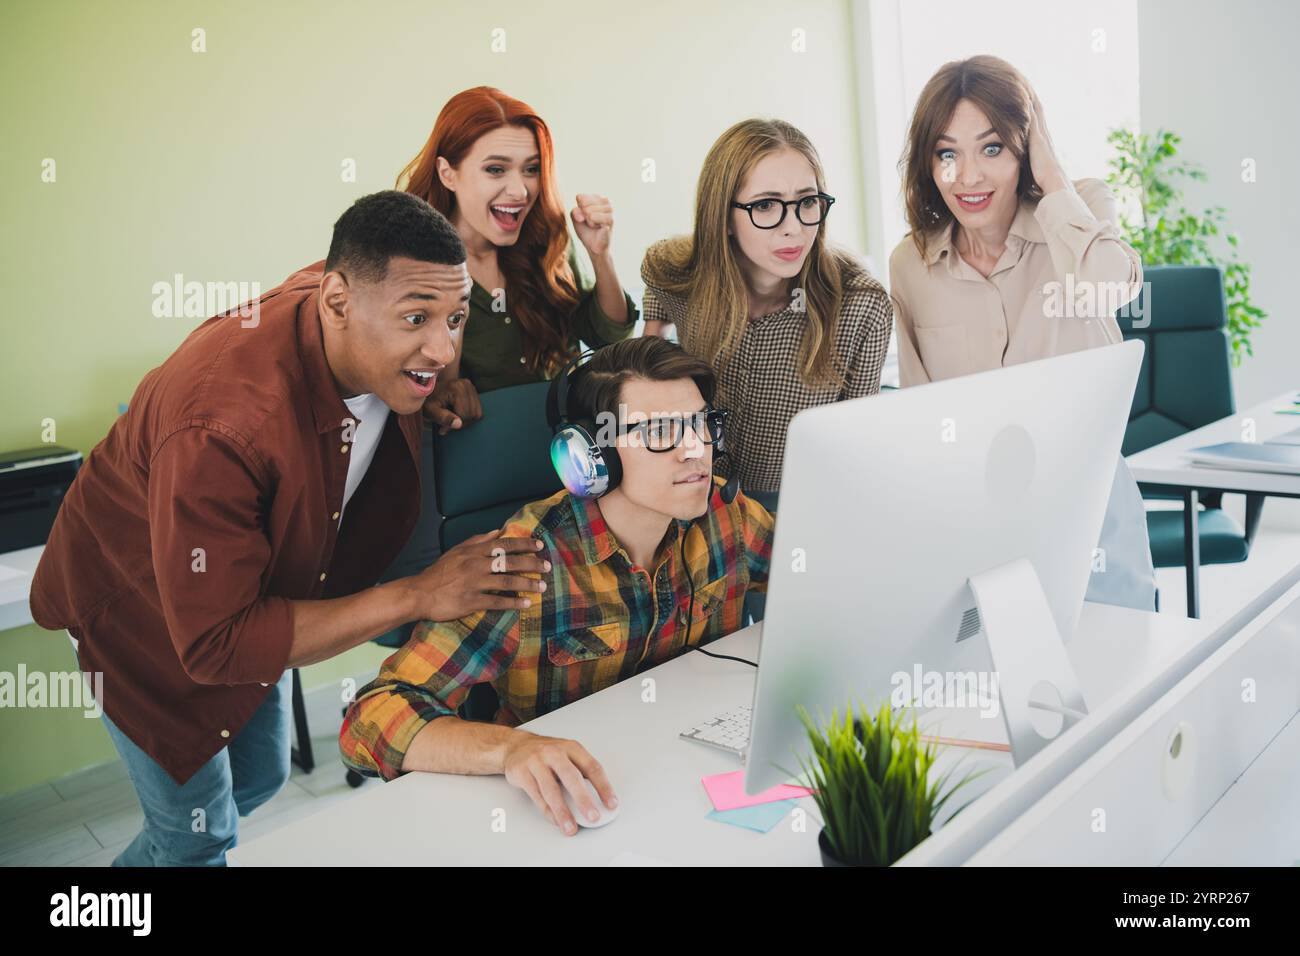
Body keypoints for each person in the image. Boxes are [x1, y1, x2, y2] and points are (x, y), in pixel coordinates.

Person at [28, 191, 548, 865]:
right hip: (138, 609)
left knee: (259, 778)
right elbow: (216, 643)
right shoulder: (222, 426)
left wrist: (433, 379)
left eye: (456, 318)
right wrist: (422, 594)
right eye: (418, 319)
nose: (443, 345)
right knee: (197, 836)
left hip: (251, 585)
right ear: (336, 303)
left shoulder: (359, 306)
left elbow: (414, 323)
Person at [339, 337, 773, 836]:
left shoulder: (725, 513)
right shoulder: (523, 564)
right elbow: (371, 717)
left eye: (700, 424)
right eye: (659, 432)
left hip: (683, 777)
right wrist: (512, 749)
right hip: (569, 812)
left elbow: (817, 578)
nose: (696, 449)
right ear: (592, 455)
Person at [888, 55, 1156, 610]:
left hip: (1090, 501)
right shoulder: (911, 264)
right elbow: (918, 412)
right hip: (979, 514)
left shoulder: (1078, 208)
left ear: (1026, 149)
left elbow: (1112, 286)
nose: (967, 177)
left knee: (1120, 669)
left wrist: (1053, 178)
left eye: (992, 148)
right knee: (995, 681)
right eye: (946, 153)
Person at [379, 86, 640, 625]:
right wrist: (444, 387)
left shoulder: (538, 244)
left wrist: (601, 253)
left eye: (530, 169)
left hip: (561, 483)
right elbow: (419, 381)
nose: (519, 189)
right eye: (496, 169)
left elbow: (606, 332)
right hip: (474, 506)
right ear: (449, 173)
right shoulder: (414, 267)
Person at [641, 117, 891, 619]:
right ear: (723, 214)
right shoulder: (673, 277)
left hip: (799, 514)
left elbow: (856, 448)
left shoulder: (862, 306)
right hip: (691, 502)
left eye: (807, 202)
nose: (794, 226)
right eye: (766, 206)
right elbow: (646, 392)